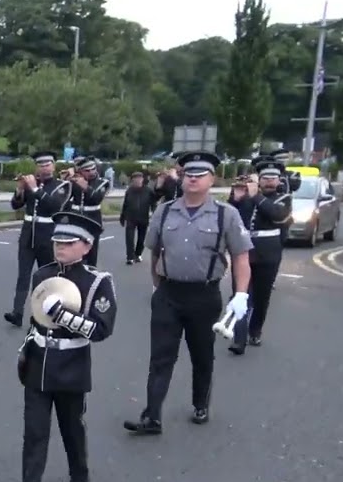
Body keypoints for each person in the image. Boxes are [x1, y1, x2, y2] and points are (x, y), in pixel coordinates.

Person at [124, 151, 253, 435]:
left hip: (203, 296)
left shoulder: (225, 214)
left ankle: (200, 402)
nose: (193, 179)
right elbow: (155, 250)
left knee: (202, 354)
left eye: (200, 174)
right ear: (181, 178)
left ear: (212, 179)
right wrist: (158, 286)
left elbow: (241, 257)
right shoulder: (165, 211)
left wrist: (241, 294)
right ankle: (152, 416)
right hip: (169, 293)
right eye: (188, 174)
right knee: (161, 356)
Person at [1, 212, 116, 482]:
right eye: (57, 241)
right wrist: (25, 351)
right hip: (39, 365)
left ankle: (79, 474)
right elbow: (36, 321)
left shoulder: (97, 283)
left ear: (87, 245)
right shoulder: (43, 275)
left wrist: (65, 317)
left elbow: (102, 330)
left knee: (71, 428)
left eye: (68, 242)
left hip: (72, 367)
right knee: (34, 434)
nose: (60, 247)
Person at [3, 151, 76, 327]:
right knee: (23, 276)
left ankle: (44, 314)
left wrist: (35, 189)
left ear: (53, 166)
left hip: (48, 236)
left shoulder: (62, 186)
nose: (44, 167)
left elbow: (54, 207)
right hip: (28, 235)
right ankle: (17, 312)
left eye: (47, 164)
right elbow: (16, 205)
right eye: (40, 164)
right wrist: (20, 189)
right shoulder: (30, 184)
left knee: (46, 277)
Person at [228, 159, 291, 353]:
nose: (269, 182)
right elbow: (232, 218)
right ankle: (239, 338)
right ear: (259, 180)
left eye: (273, 178)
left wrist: (255, 196)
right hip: (245, 252)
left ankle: (255, 331)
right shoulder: (249, 197)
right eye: (265, 178)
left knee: (262, 298)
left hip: (268, 254)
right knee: (241, 294)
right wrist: (235, 200)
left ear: (279, 180)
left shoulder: (283, 198)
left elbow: (276, 215)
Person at [72, 156, 110, 266]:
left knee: (91, 252)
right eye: (87, 171)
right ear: (80, 172)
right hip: (76, 219)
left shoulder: (102, 182)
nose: (91, 172)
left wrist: (86, 188)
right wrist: (67, 179)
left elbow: (96, 199)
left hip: (93, 219)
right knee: (76, 251)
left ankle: (91, 275)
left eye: (93, 169)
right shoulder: (74, 181)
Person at [119, 171, 159, 264]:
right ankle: (130, 257)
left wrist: (154, 212)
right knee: (129, 238)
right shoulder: (129, 190)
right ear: (132, 180)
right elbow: (125, 204)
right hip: (131, 217)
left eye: (139, 178)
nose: (137, 180)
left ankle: (138, 254)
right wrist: (122, 216)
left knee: (141, 238)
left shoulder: (148, 191)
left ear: (142, 179)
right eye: (135, 179)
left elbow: (153, 203)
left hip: (143, 217)